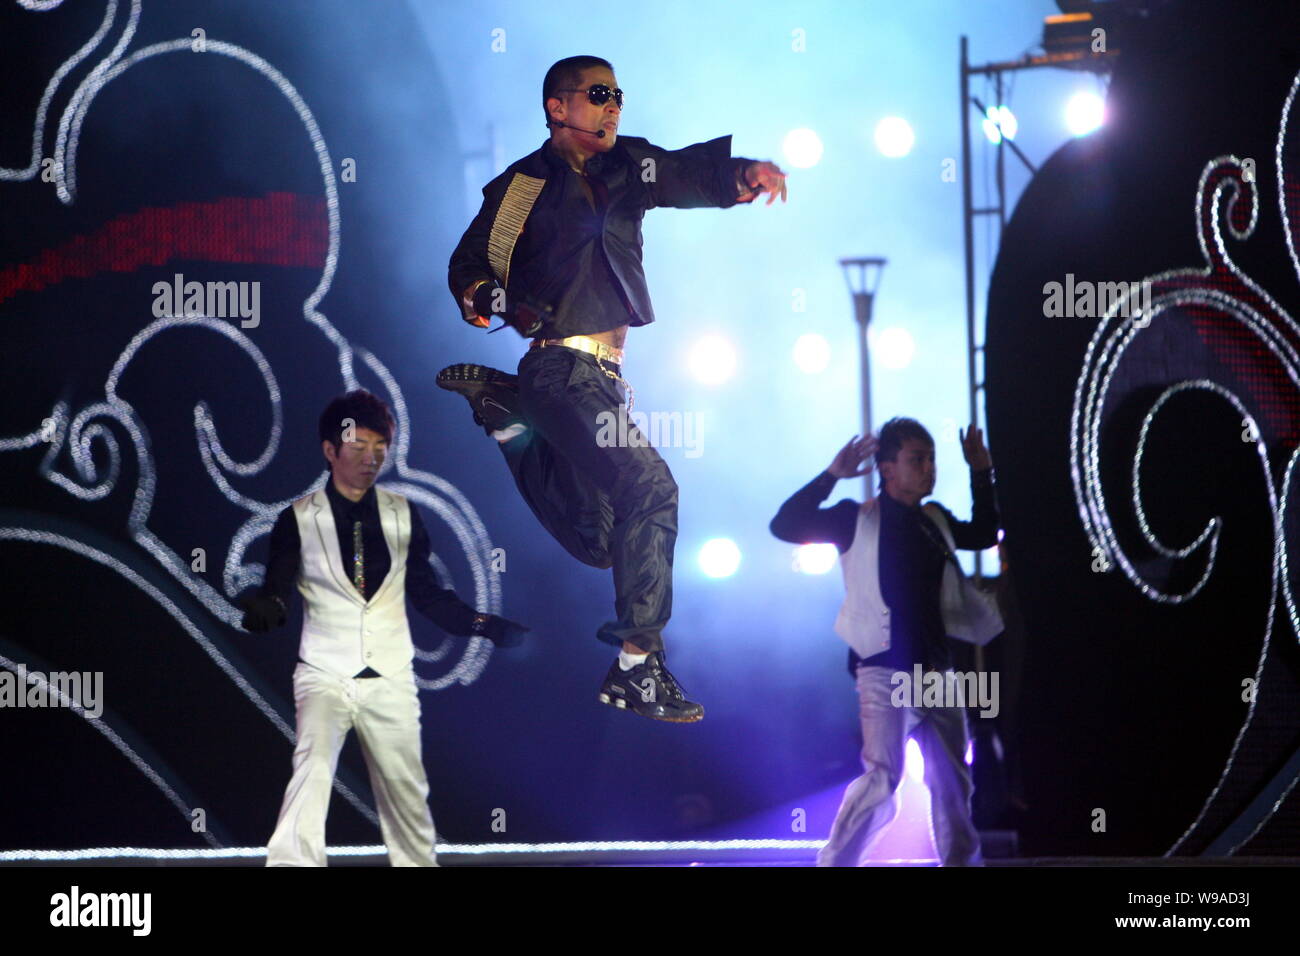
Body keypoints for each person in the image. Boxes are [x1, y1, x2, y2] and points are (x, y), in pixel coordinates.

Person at [438, 55, 788, 722]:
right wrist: (486, 294)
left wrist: (745, 174)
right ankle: (637, 666)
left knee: (607, 542)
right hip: (559, 371)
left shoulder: (628, 168)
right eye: (598, 95)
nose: (613, 107)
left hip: (603, 380)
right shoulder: (523, 187)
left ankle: (511, 425)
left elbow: (687, 172)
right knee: (651, 489)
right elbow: (471, 263)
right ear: (558, 107)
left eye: (618, 96)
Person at [238, 389, 528, 866]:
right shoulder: (298, 518)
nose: (371, 458)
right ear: (330, 450)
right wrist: (267, 607)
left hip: (391, 674)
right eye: (358, 447)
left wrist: (486, 625)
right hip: (324, 673)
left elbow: (428, 594)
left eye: (380, 447)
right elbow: (278, 586)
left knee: (405, 791)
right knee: (310, 773)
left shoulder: (402, 512)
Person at [769, 418, 1001, 866]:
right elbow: (785, 524)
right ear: (888, 468)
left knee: (955, 783)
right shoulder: (856, 519)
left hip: (936, 672)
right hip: (883, 669)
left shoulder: (935, 520)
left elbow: (986, 532)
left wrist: (980, 471)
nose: (929, 468)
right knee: (883, 779)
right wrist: (832, 475)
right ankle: (836, 863)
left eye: (932, 458)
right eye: (918, 459)